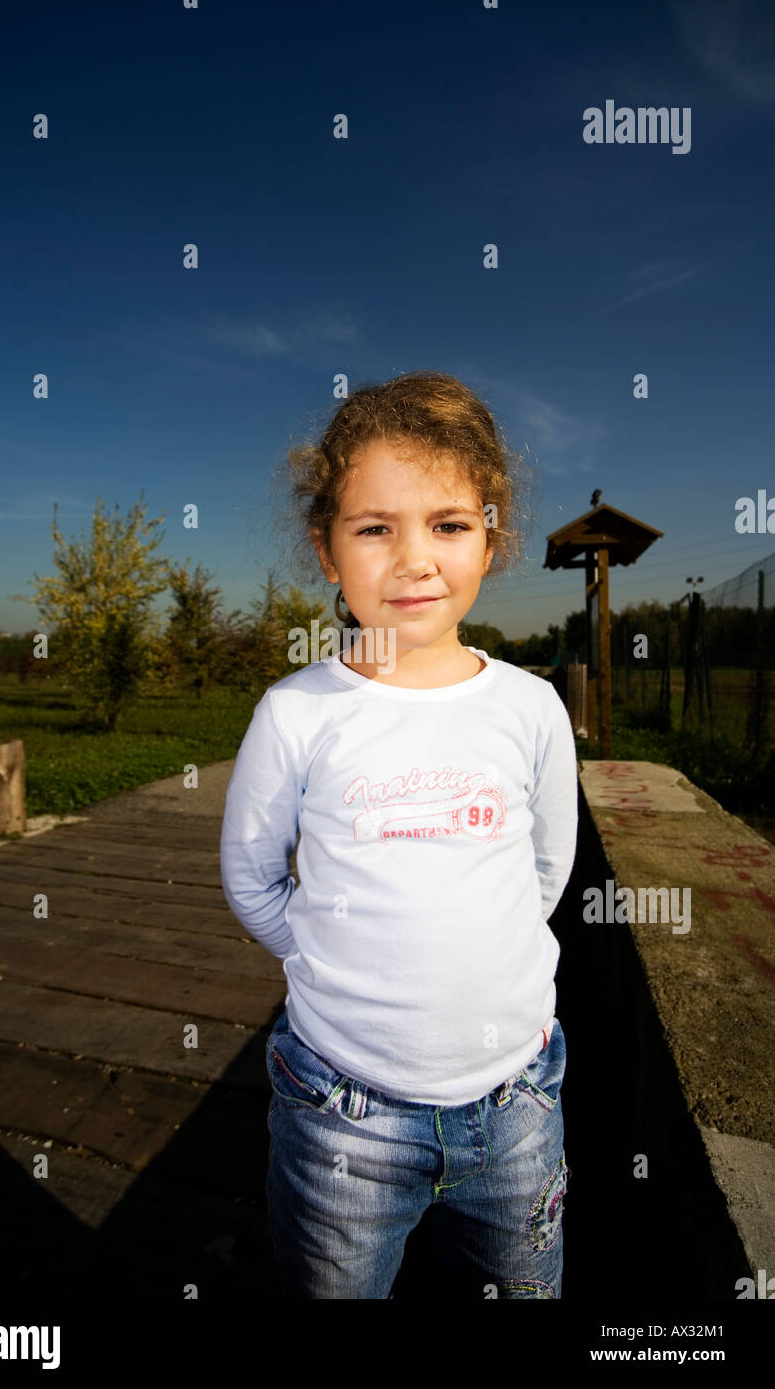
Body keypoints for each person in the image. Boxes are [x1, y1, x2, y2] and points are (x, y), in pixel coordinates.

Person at [220, 371, 579, 1299]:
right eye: (375, 528)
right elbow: (253, 877)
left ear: (491, 539)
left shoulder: (531, 707)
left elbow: (544, 871)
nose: (414, 559)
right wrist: (328, 957)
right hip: (342, 1110)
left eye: (449, 524)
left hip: (517, 1105)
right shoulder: (297, 712)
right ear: (327, 552)